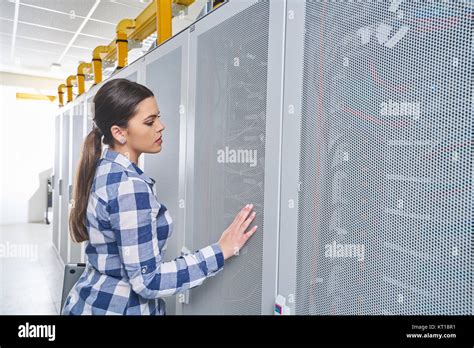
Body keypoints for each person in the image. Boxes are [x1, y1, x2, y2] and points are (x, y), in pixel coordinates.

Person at [62, 78, 257, 315]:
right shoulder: (130, 187)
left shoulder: (104, 168)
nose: (161, 126)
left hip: (92, 302)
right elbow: (148, 281)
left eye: (158, 117)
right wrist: (221, 250)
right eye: (150, 122)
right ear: (119, 133)